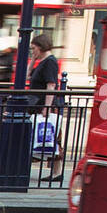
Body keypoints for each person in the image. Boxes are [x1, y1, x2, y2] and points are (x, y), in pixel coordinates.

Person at [27, 34, 66, 180]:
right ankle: (57, 173)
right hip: (37, 103)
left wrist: (47, 107)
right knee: (51, 137)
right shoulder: (43, 61)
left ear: (41, 46)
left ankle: (58, 173)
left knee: (52, 138)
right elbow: (26, 76)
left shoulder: (50, 62)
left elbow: (51, 85)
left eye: (34, 48)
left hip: (43, 104)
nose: (33, 51)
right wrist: (33, 61)